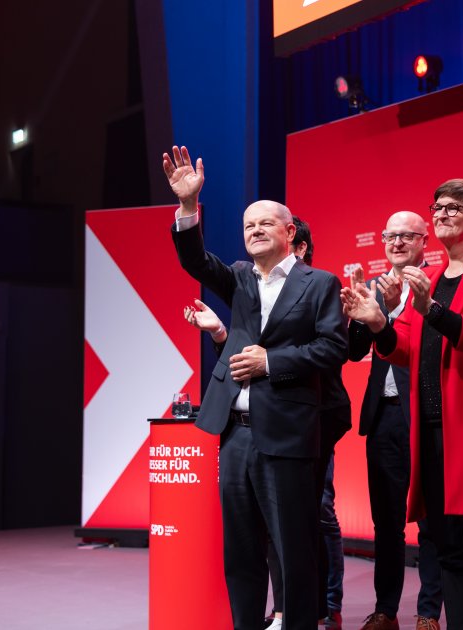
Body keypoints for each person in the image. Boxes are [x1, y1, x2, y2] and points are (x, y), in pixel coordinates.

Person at [163, 145, 348, 630]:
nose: (255, 230)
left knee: (293, 548)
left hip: (288, 432)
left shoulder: (319, 283)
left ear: (290, 232)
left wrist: (272, 362)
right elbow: (197, 262)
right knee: (241, 550)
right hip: (237, 435)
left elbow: (333, 349)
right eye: (248, 225)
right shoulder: (240, 278)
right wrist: (188, 206)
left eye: (266, 223)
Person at [342, 179, 463, 630]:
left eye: (454, 207)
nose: (443, 213)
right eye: (438, 206)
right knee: (448, 546)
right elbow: (405, 347)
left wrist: (432, 309)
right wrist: (376, 323)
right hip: (430, 428)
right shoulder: (428, 279)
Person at [347, 210, 443, 630]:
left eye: (408, 236)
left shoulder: (435, 285)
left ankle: (428, 613)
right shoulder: (369, 288)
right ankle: (386, 610)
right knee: (385, 520)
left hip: (423, 414)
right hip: (383, 416)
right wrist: (371, 314)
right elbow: (352, 350)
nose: (397, 243)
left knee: (431, 520)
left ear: (425, 241)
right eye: (390, 236)